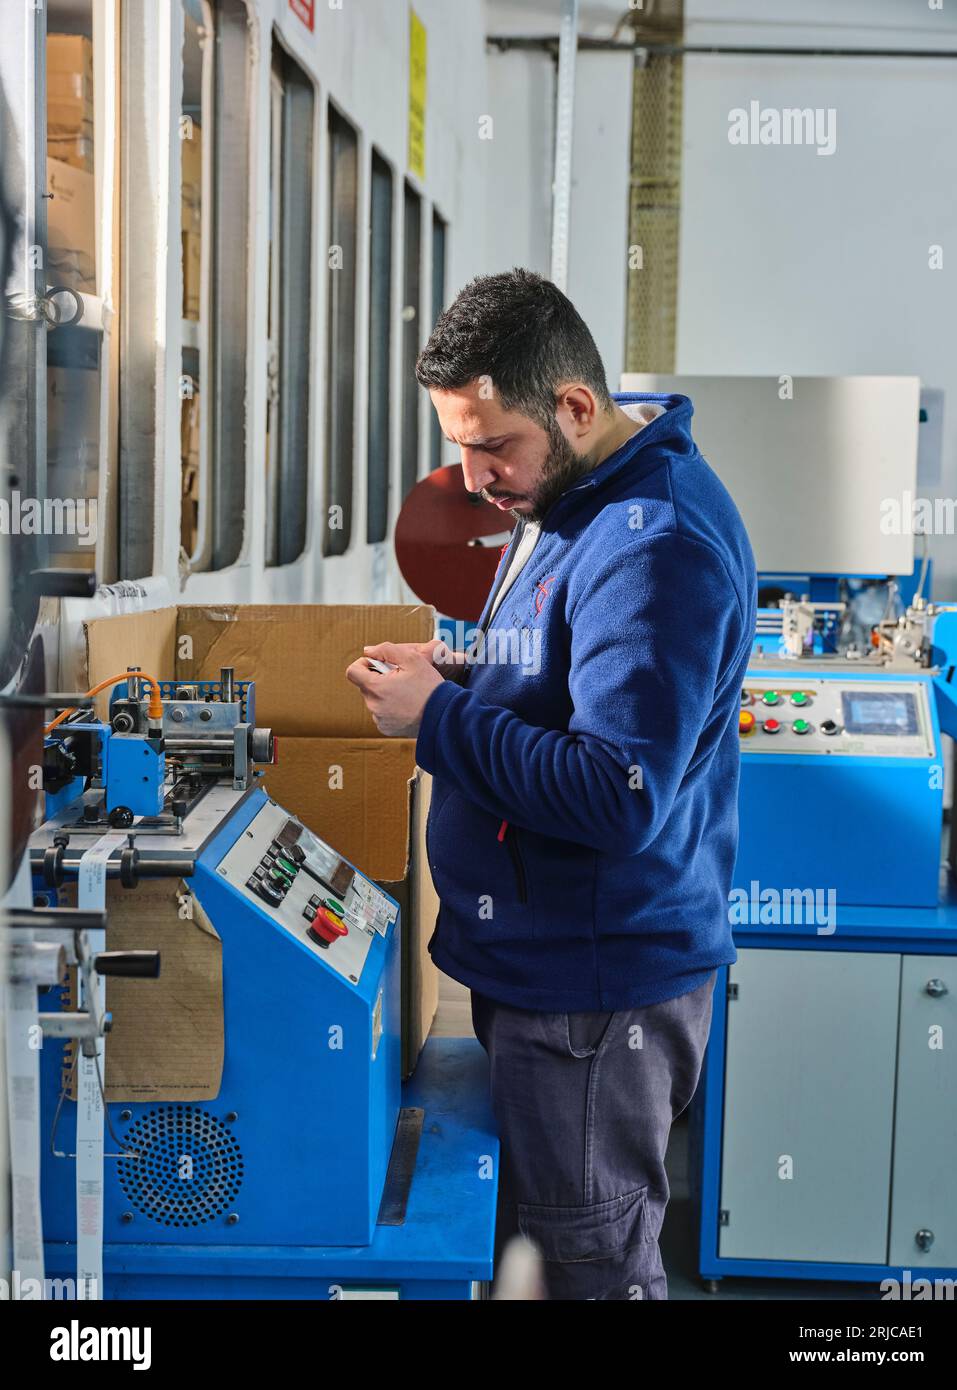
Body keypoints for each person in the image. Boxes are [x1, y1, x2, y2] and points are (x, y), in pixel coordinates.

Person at [346, 268, 757, 1300]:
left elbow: (612, 790)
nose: (474, 475)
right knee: (561, 1244)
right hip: (545, 970)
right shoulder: (569, 491)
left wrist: (436, 720)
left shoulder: (654, 542)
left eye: (492, 446)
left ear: (573, 406)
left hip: (595, 996)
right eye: (459, 446)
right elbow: (558, 676)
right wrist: (460, 673)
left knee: (594, 1267)